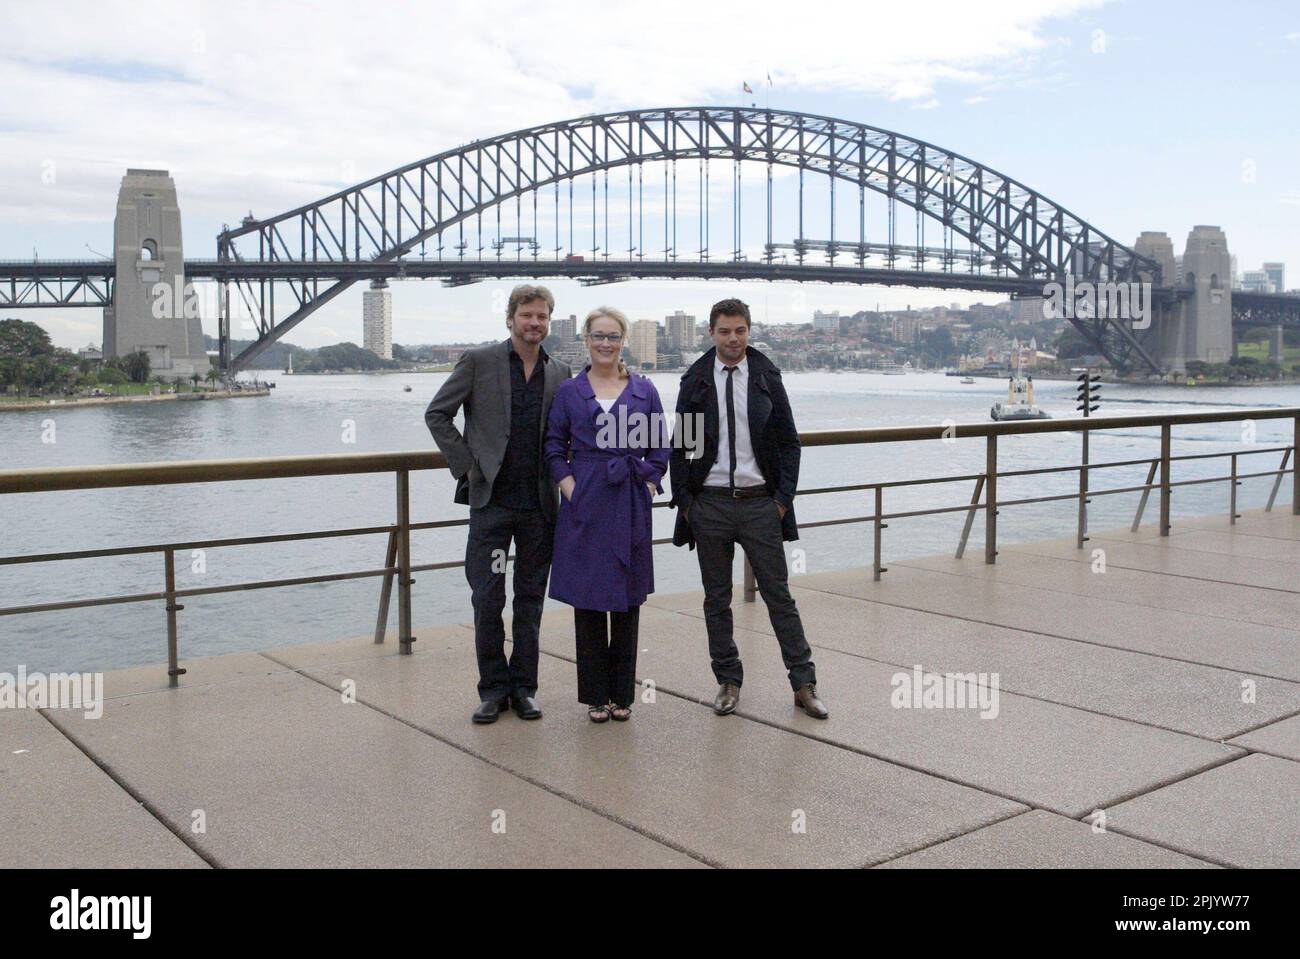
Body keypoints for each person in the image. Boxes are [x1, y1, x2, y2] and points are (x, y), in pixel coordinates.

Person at [668, 297, 828, 719]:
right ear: (712, 333)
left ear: (749, 331)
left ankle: (803, 683)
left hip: (760, 505)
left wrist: (781, 501)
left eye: (740, 330)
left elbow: (789, 442)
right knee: (716, 600)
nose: (733, 339)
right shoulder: (696, 379)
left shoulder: (766, 376)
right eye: (725, 331)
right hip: (711, 505)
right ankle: (728, 681)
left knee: (780, 596)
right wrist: (687, 504)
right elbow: (682, 446)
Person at [424, 284, 572, 724]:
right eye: (527, 315)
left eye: (542, 316)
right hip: (491, 505)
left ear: (549, 321)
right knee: (488, 598)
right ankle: (492, 690)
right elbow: (437, 414)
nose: (535, 323)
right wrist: (468, 466)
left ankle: (524, 689)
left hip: (540, 508)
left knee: (530, 601)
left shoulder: (560, 373)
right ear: (510, 319)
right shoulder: (480, 361)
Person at [544, 307, 671, 722]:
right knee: (589, 599)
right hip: (585, 500)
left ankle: (623, 696)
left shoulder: (644, 390)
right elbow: (552, 446)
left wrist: (649, 484)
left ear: (623, 341)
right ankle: (595, 695)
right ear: (586, 340)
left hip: (629, 499)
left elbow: (660, 445)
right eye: (598, 336)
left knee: (627, 599)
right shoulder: (569, 391)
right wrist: (570, 488)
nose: (605, 343)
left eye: (613, 336)